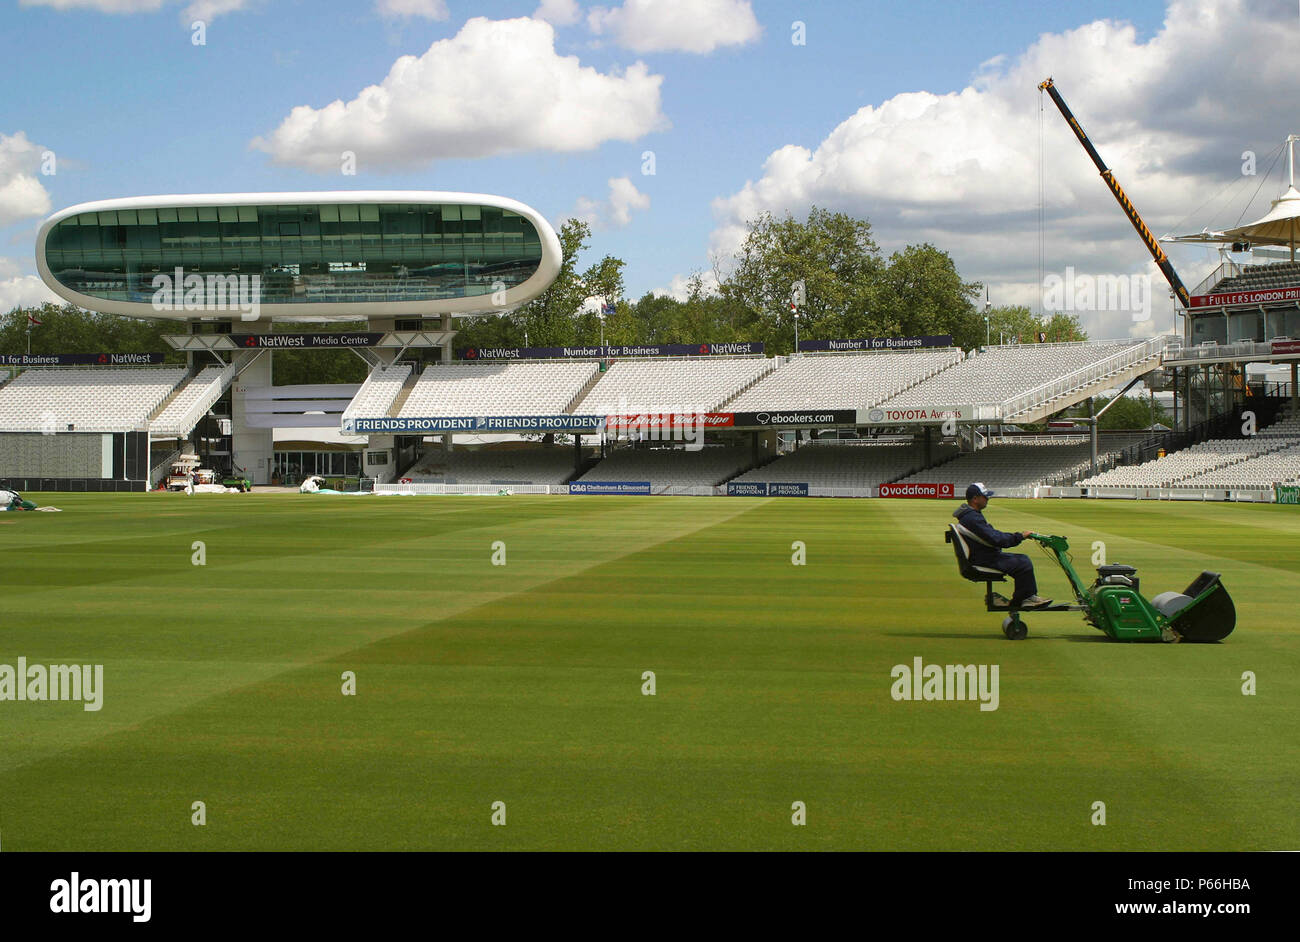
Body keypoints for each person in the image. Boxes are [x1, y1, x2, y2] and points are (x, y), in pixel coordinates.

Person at [952, 482, 1052, 609]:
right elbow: (996, 538)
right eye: (985, 496)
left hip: (981, 556)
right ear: (975, 499)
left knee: (1022, 560)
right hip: (985, 559)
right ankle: (1025, 599)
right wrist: (1019, 536)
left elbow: (992, 536)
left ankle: (1023, 599)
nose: (987, 499)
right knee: (1023, 563)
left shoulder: (969, 516)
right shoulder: (973, 518)